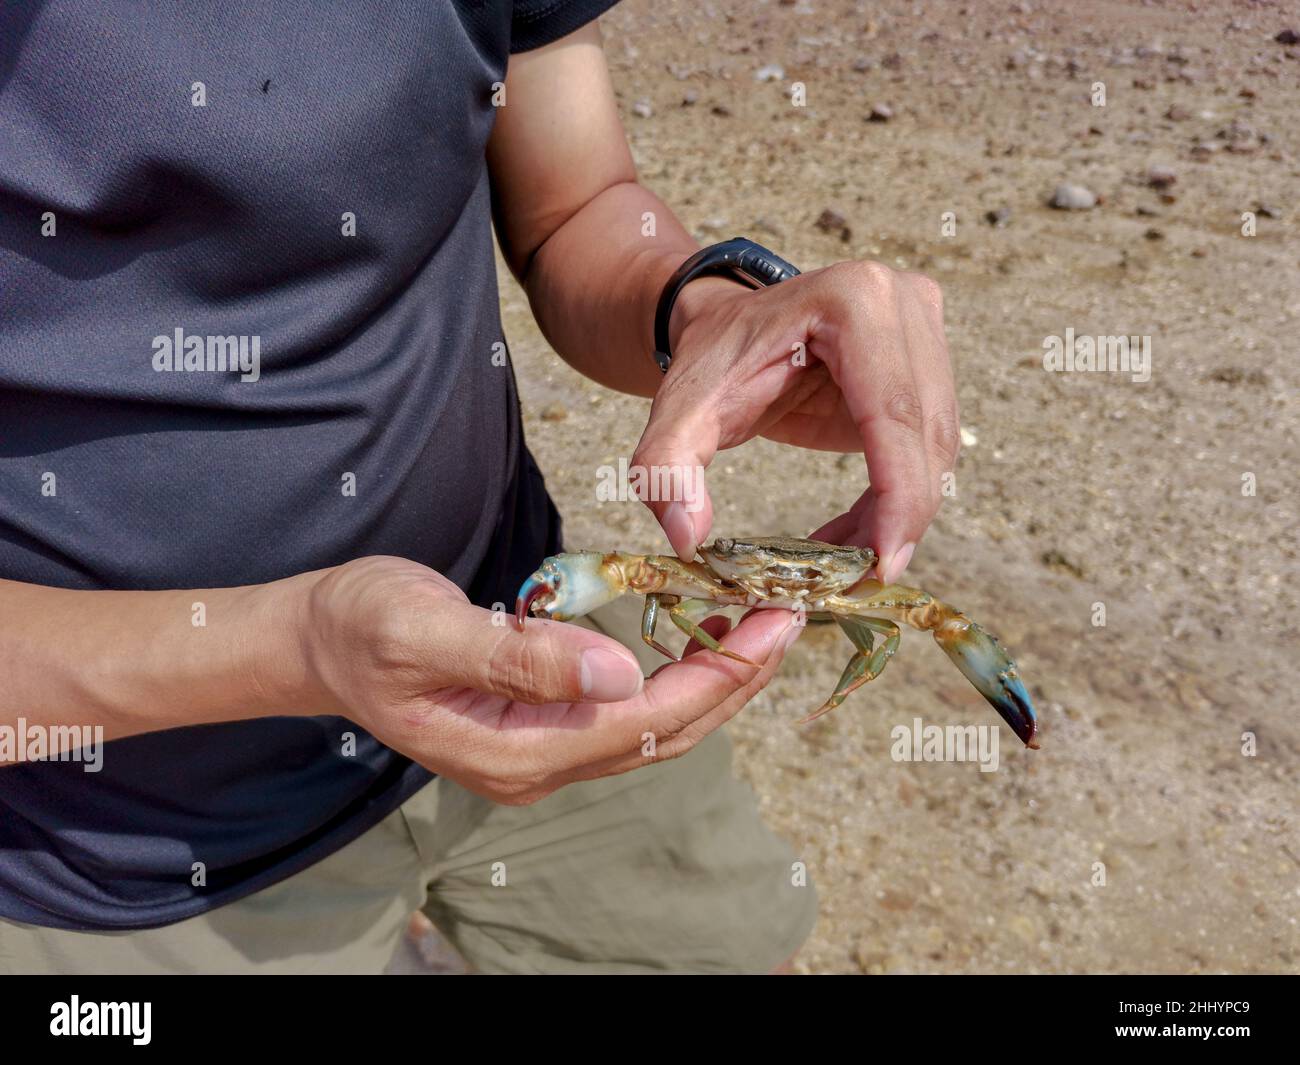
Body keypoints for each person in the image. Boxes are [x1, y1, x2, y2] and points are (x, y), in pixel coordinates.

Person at [0, 1, 956, 973]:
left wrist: (703, 308)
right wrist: (304, 646)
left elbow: (578, 204)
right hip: (108, 841)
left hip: (523, 635)